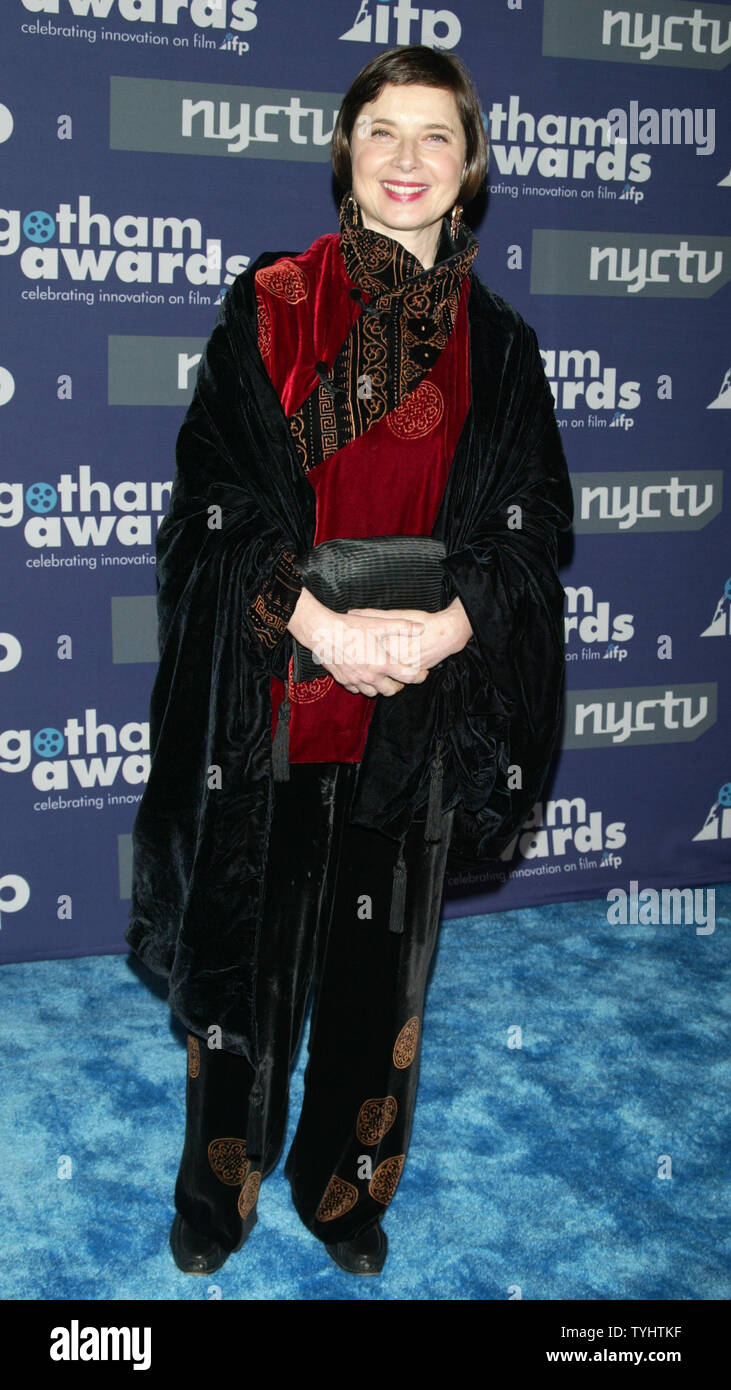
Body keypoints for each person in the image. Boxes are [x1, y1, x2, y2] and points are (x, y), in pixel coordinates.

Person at [126, 44, 574, 1279]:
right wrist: (320, 627)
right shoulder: (267, 304)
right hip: (274, 696)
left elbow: (533, 524)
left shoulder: (505, 345)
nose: (408, 160)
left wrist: (434, 633)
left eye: (436, 135)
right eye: (383, 131)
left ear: (469, 162)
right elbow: (214, 501)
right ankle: (217, 1196)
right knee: (244, 970)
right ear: (346, 149)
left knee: (381, 975)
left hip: (420, 708)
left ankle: (345, 1194)